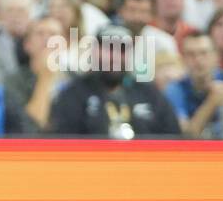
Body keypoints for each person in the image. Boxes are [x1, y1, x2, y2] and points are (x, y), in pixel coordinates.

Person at [48, 25, 183, 136]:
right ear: (94, 51)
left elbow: (173, 138)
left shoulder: (149, 94)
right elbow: (62, 142)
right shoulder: (74, 94)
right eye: (109, 48)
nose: (115, 56)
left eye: (122, 50)